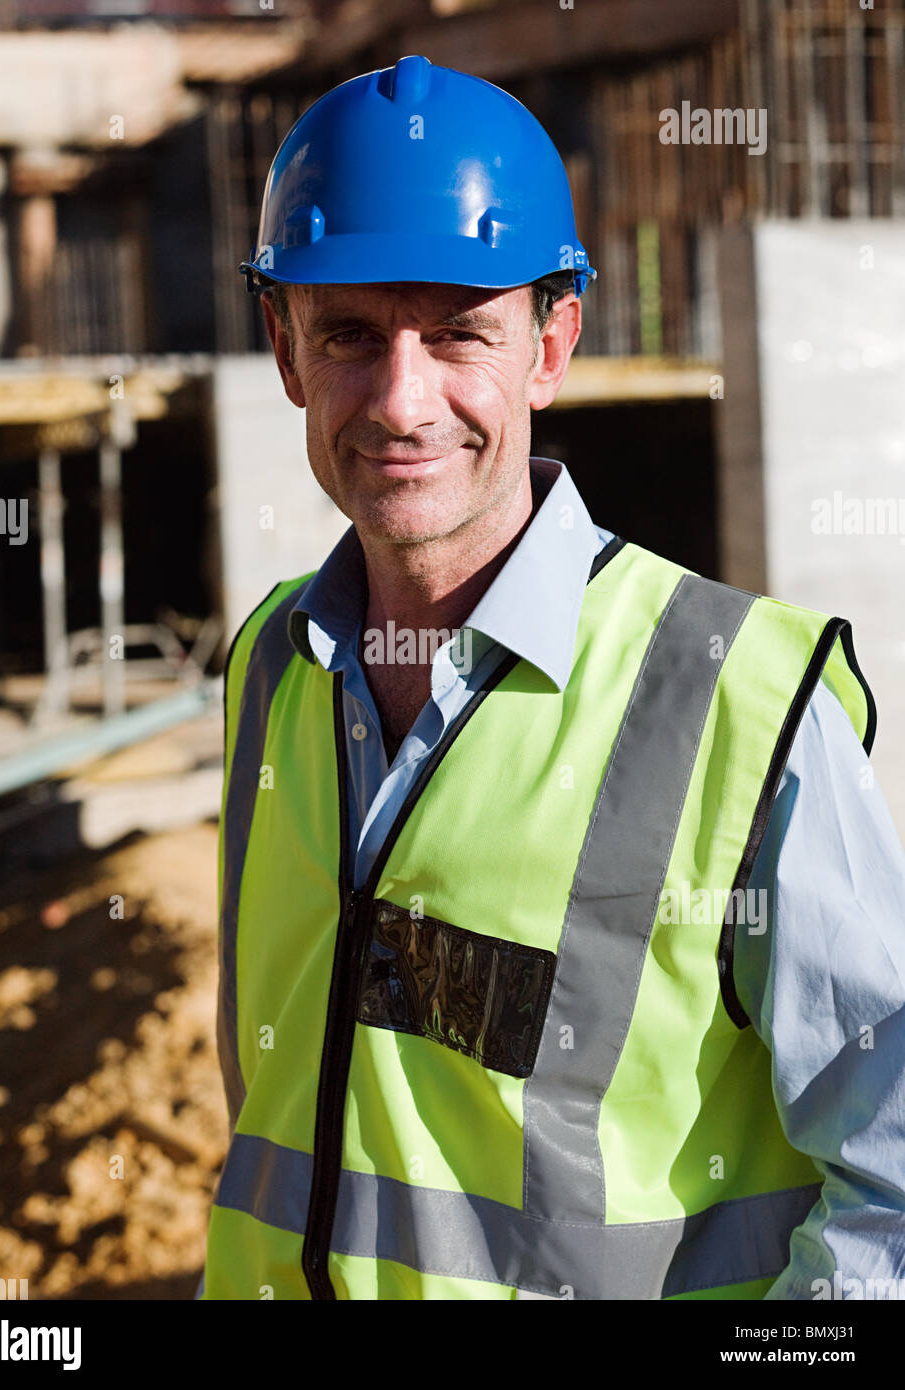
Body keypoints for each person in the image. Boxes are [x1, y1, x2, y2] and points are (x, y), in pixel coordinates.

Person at [199, 55, 905, 1300]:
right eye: (353, 335)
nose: (402, 399)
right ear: (285, 348)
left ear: (551, 342)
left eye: (460, 332)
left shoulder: (739, 704)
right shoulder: (271, 667)